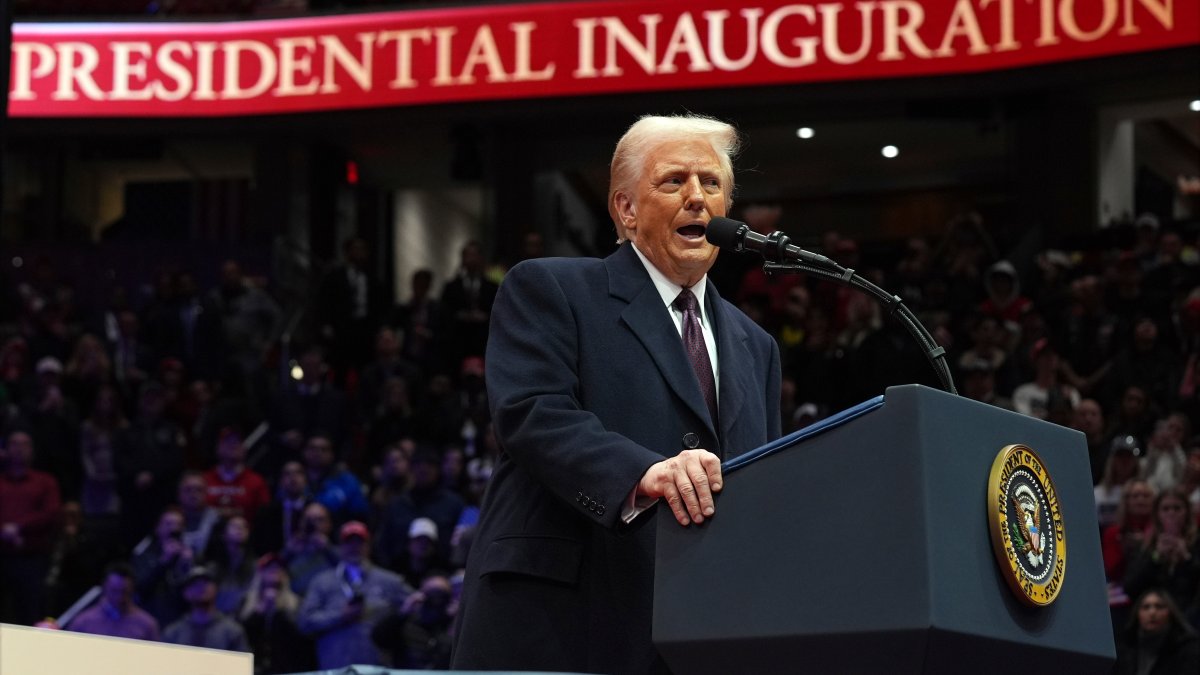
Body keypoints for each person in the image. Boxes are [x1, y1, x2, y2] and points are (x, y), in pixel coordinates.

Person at [452, 115, 781, 673]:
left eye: (712, 184)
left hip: (698, 633)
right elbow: (532, 414)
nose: (697, 198)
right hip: (564, 622)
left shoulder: (757, 344)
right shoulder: (551, 287)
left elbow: (763, 480)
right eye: (673, 181)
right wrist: (641, 472)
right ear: (625, 210)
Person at [297, 521, 412, 669]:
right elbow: (304, 622)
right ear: (340, 547)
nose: (354, 547)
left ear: (368, 547)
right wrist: (340, 616)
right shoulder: (322, 582)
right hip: (334, 669)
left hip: (378, 669)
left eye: (360, 542)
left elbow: (416, 603)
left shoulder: (389, 581)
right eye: (349, 542)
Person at [0, 429, 62, 625]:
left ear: (33, 450)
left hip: (32, 559)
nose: (19, 449)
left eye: (24, 444)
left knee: (30, 613)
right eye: (14, 444)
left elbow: (51, 513)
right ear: (6, 450)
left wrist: (19, 528)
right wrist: (3, 531)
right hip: (1, 555)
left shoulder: (45, 482)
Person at [162, 565, 251, 652]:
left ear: (216, 588)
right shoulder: (173, 634)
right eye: (195, 583)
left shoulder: (232, 633)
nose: (201, 586)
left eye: (206, 582)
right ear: (185, 593)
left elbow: (242, 665)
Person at [1113, 589, 1200, 675]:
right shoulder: (1125, 648)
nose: (1152, 612)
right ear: (1137, 614)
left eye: (1159, 606)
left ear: (1171, 613)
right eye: (1146, 607)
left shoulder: (1187, 649)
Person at [67, 562, 161, 641]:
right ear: (104, 587)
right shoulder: (83, 622)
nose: (119, 598)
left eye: (124, 592)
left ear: (132, 590)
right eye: (114, 591)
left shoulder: (147, 625)